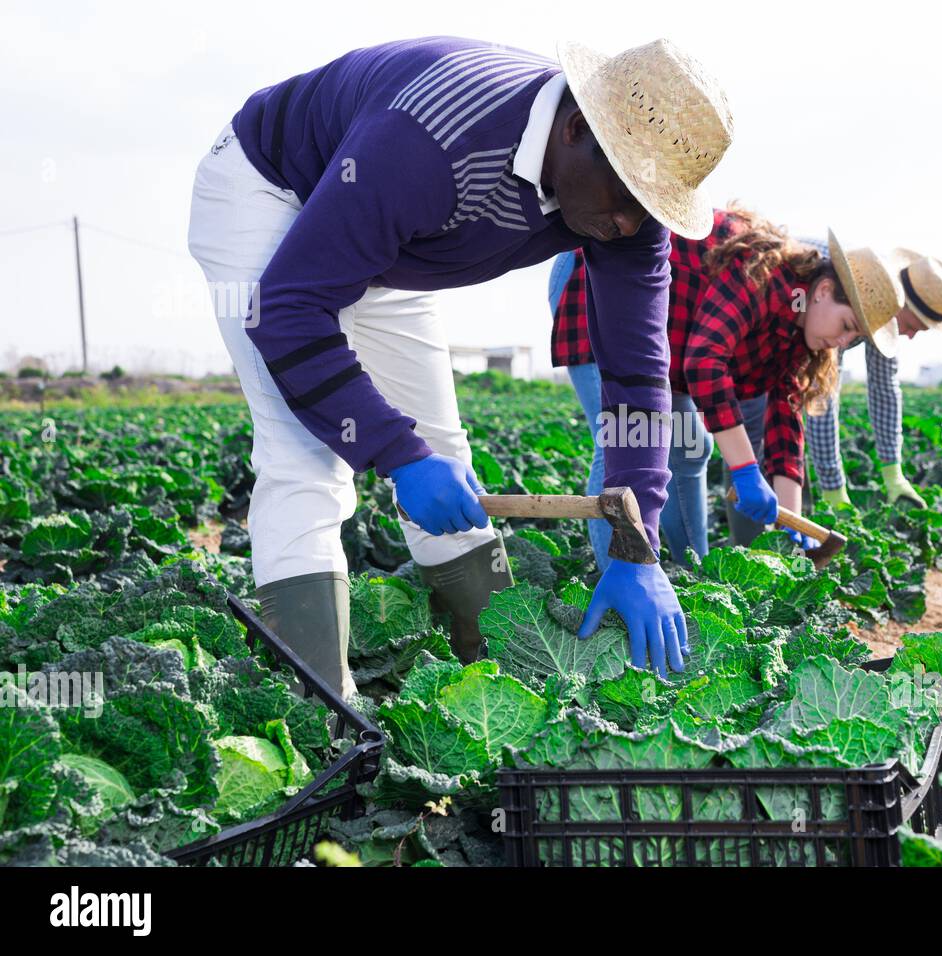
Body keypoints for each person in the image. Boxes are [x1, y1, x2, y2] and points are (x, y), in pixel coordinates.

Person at [188, 36, 734, 688]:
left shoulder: (627, 216)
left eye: (651, 207)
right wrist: (394, 454)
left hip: (388, 247)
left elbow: (637, 375)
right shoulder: (432, 139)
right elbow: (287, 313)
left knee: (444, 450)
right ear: (576, 127)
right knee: (306, 458)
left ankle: (509, 675)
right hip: (273, 187)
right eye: (626, 195)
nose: (627, 224)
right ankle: (321, 716)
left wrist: (634, 541)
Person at [549, 204, 901, 566]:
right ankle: (620, 583)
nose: (843, 342)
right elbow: (705, 362)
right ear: (824, 290)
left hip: (666, 337)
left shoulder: (800, 329)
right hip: (600, 276)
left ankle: (693, 571)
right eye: (846, 326)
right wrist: (745, 470)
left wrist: (789, 522)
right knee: (626, 437)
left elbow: (785, 420)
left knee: (690, 448)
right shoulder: (767, 273)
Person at [803, 247, 942, 516]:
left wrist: (894, 474)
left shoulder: (880, 317)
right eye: (914, 326)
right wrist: (834, 489)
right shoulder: (849, 296)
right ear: (901, 303)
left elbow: (884, 390)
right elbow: (822, 394)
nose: (911, 337)